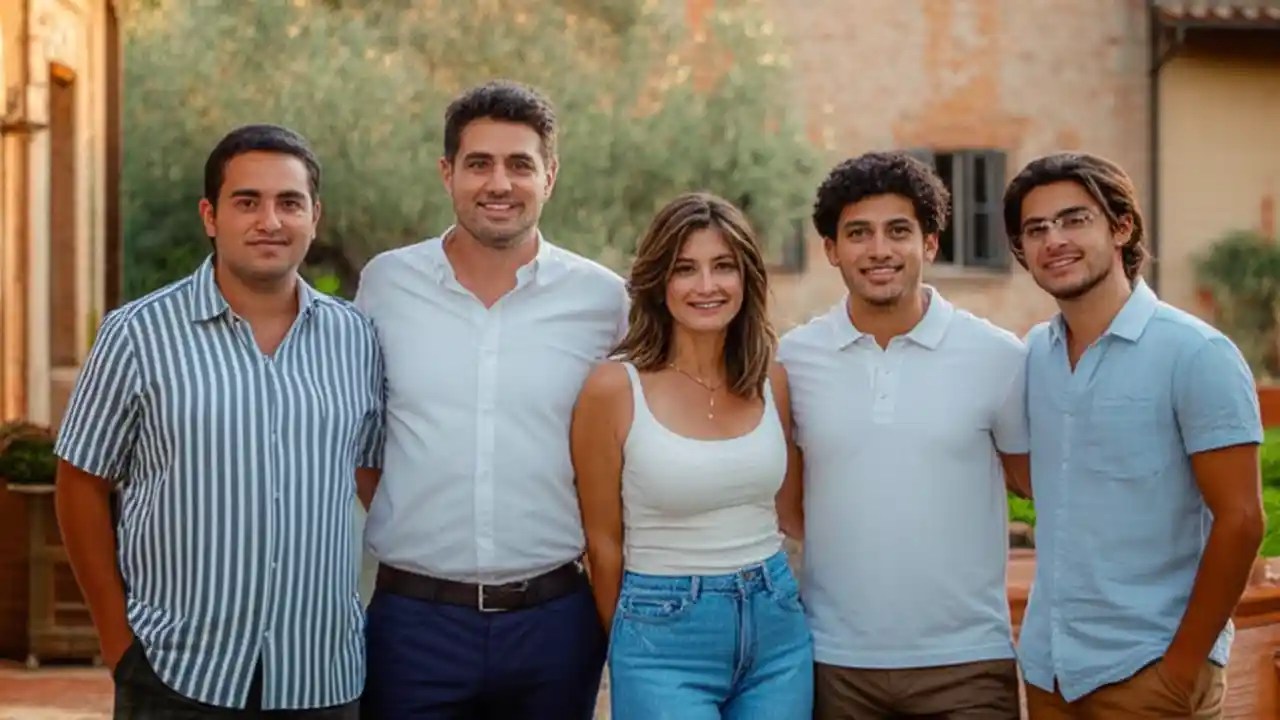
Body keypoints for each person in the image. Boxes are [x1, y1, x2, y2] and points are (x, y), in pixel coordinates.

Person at [54, 124, 384, 718]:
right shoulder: (136, 334)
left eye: (289, 202)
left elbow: (372, 477)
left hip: (322, 678)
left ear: (315, 216)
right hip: (177, 675)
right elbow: (80, 483)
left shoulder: (357, 339)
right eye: (246, 201)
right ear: (210, 216)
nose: (270, 221)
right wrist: (118, 644)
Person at [354, 80, 628, 719]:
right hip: (413, 626)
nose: (498, 183)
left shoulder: (604, 301)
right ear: (447, 172)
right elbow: (364, 438)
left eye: (519, 165)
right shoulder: (387, 285)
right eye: (479, 163)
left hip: (555, 626)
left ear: (550, 176)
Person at [1007, 152, 1264, 719]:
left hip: (1150, 673)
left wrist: (1181, 669)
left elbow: (1243, 519)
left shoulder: (1196, 354)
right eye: (1036, 228)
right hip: (1050, 671)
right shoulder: (1032, 357)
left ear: (1122, 227)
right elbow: (1031, 478)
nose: (1054, 239)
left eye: (1075, 219)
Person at [776, 151, 1031, 719]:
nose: (879, 250)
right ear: (831, 250)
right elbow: (789, 509)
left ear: (930, 243)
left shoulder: (999, 357)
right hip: (834, 662)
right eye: (858, 234)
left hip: (967, 664)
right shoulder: (794, 360)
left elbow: (1030, 483)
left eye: (898, 231)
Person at [571, 191, 812, 719]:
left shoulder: (773, 380)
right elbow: (603, 543)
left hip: (777, 627)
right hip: (661, 635)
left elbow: (791, 514)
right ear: (660, 282)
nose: (707, 286)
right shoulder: (613, 388)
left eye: (723, 266)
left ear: (747, 278)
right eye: (686, 269)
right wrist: (632, 641)